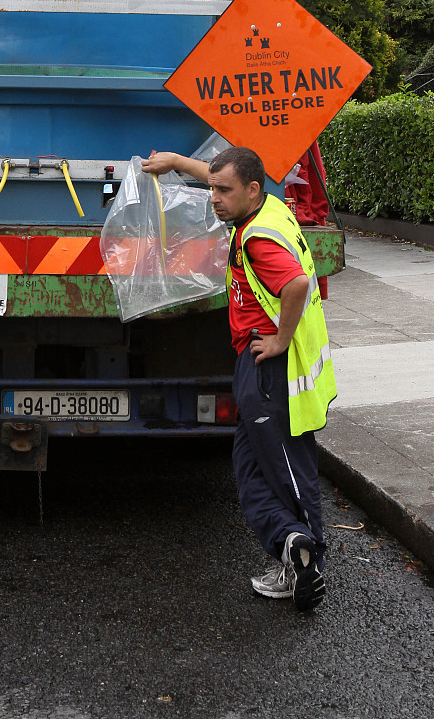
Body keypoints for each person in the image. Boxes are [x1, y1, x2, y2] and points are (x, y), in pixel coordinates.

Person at [141, 145, 336, 612]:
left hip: (273, 369)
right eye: (211, 188)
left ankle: (309, 562)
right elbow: (221, 177)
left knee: (288, 471)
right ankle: (292, 544)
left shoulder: (257, 239)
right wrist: (178, 164)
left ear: (251, 189)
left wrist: (280, 340)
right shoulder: (267, 207)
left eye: (222, 191)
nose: (213, 199)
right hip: (259, 370)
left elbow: (296, 284)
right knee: (250, 470)